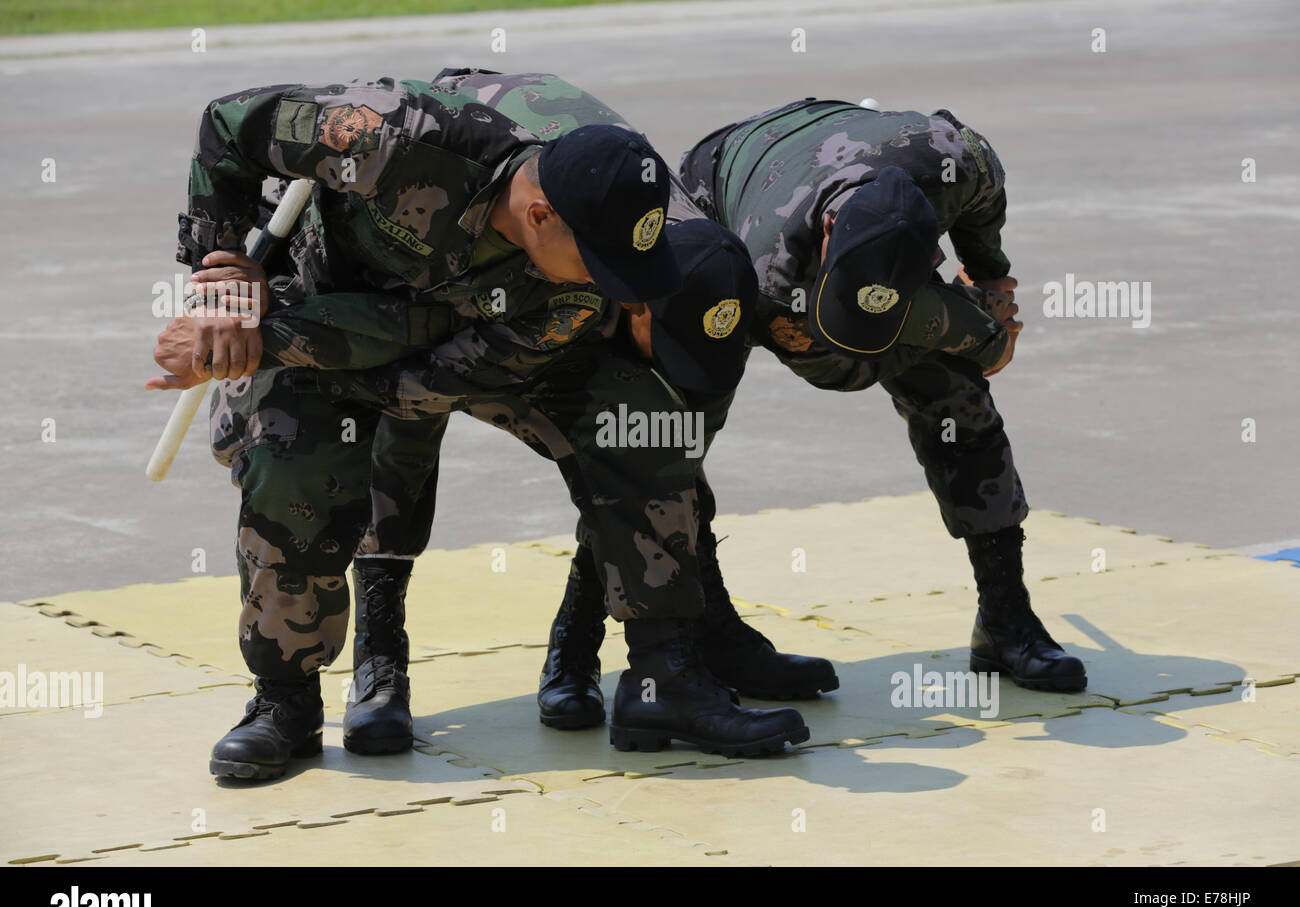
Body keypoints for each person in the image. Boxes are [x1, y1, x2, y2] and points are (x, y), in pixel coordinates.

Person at [150, 75, 808, 779]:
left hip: (373, 341)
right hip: (316, 302)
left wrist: (271, 343)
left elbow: (429, 364)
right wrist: (222, 293)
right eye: (600, 262)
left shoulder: (579, 287)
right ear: (541, 215)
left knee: (640, 420)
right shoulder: (390, 138)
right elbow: (228, 126)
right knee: (291, 467)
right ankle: (285, 702)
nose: (611, 286)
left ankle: (664, 681)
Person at [678, 98, 1086, 692]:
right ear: (826, 239)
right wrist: (974, 334)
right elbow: (842, 368)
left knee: (956, 397)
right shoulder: (771, 272)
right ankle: (706, 637)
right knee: (672, 430)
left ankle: (1007, 620)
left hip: (854, 154)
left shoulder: (960, 161)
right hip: (718, 188)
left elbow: (981, 220)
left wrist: (990, 282)